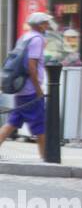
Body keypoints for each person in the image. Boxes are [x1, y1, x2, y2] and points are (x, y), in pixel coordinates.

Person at [0, 11, 52, 158]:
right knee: (40, 125)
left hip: (21, 88)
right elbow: (31, 65)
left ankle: (45, 155)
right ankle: (46, 156)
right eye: (46, 23)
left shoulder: (25, 37)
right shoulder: (37, 39)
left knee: (12, 122)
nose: (48, 25)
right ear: (40, 25)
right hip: (30, 90)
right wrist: (38, 89)